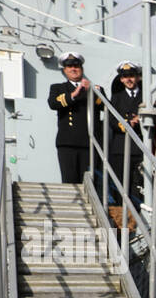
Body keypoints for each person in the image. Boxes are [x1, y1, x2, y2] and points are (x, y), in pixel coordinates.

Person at [47, 53, 96, 185]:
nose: (73, 69)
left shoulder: (93, 89)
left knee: (87, 182)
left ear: (81, 69)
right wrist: (74, 94)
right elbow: (53, 103)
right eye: (69, 66)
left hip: (87, 142)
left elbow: (104, 106)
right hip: (67, 142)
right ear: (65, 70)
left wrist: (92, 91)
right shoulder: (58, 88)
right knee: (69, 180)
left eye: (76, 66)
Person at [107, 61, 144, 208]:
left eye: (131, 76)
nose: (128, 79)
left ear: (137, 77)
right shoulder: (116, 97)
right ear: (121, 79)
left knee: (139, 185)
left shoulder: (145, 97)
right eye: (125, 76)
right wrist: (127, 124)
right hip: (120, 148)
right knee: (120, 183)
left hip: (139, 148)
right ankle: (121, 214)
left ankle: (137, 215)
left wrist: (139, 121)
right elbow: (111, 119)